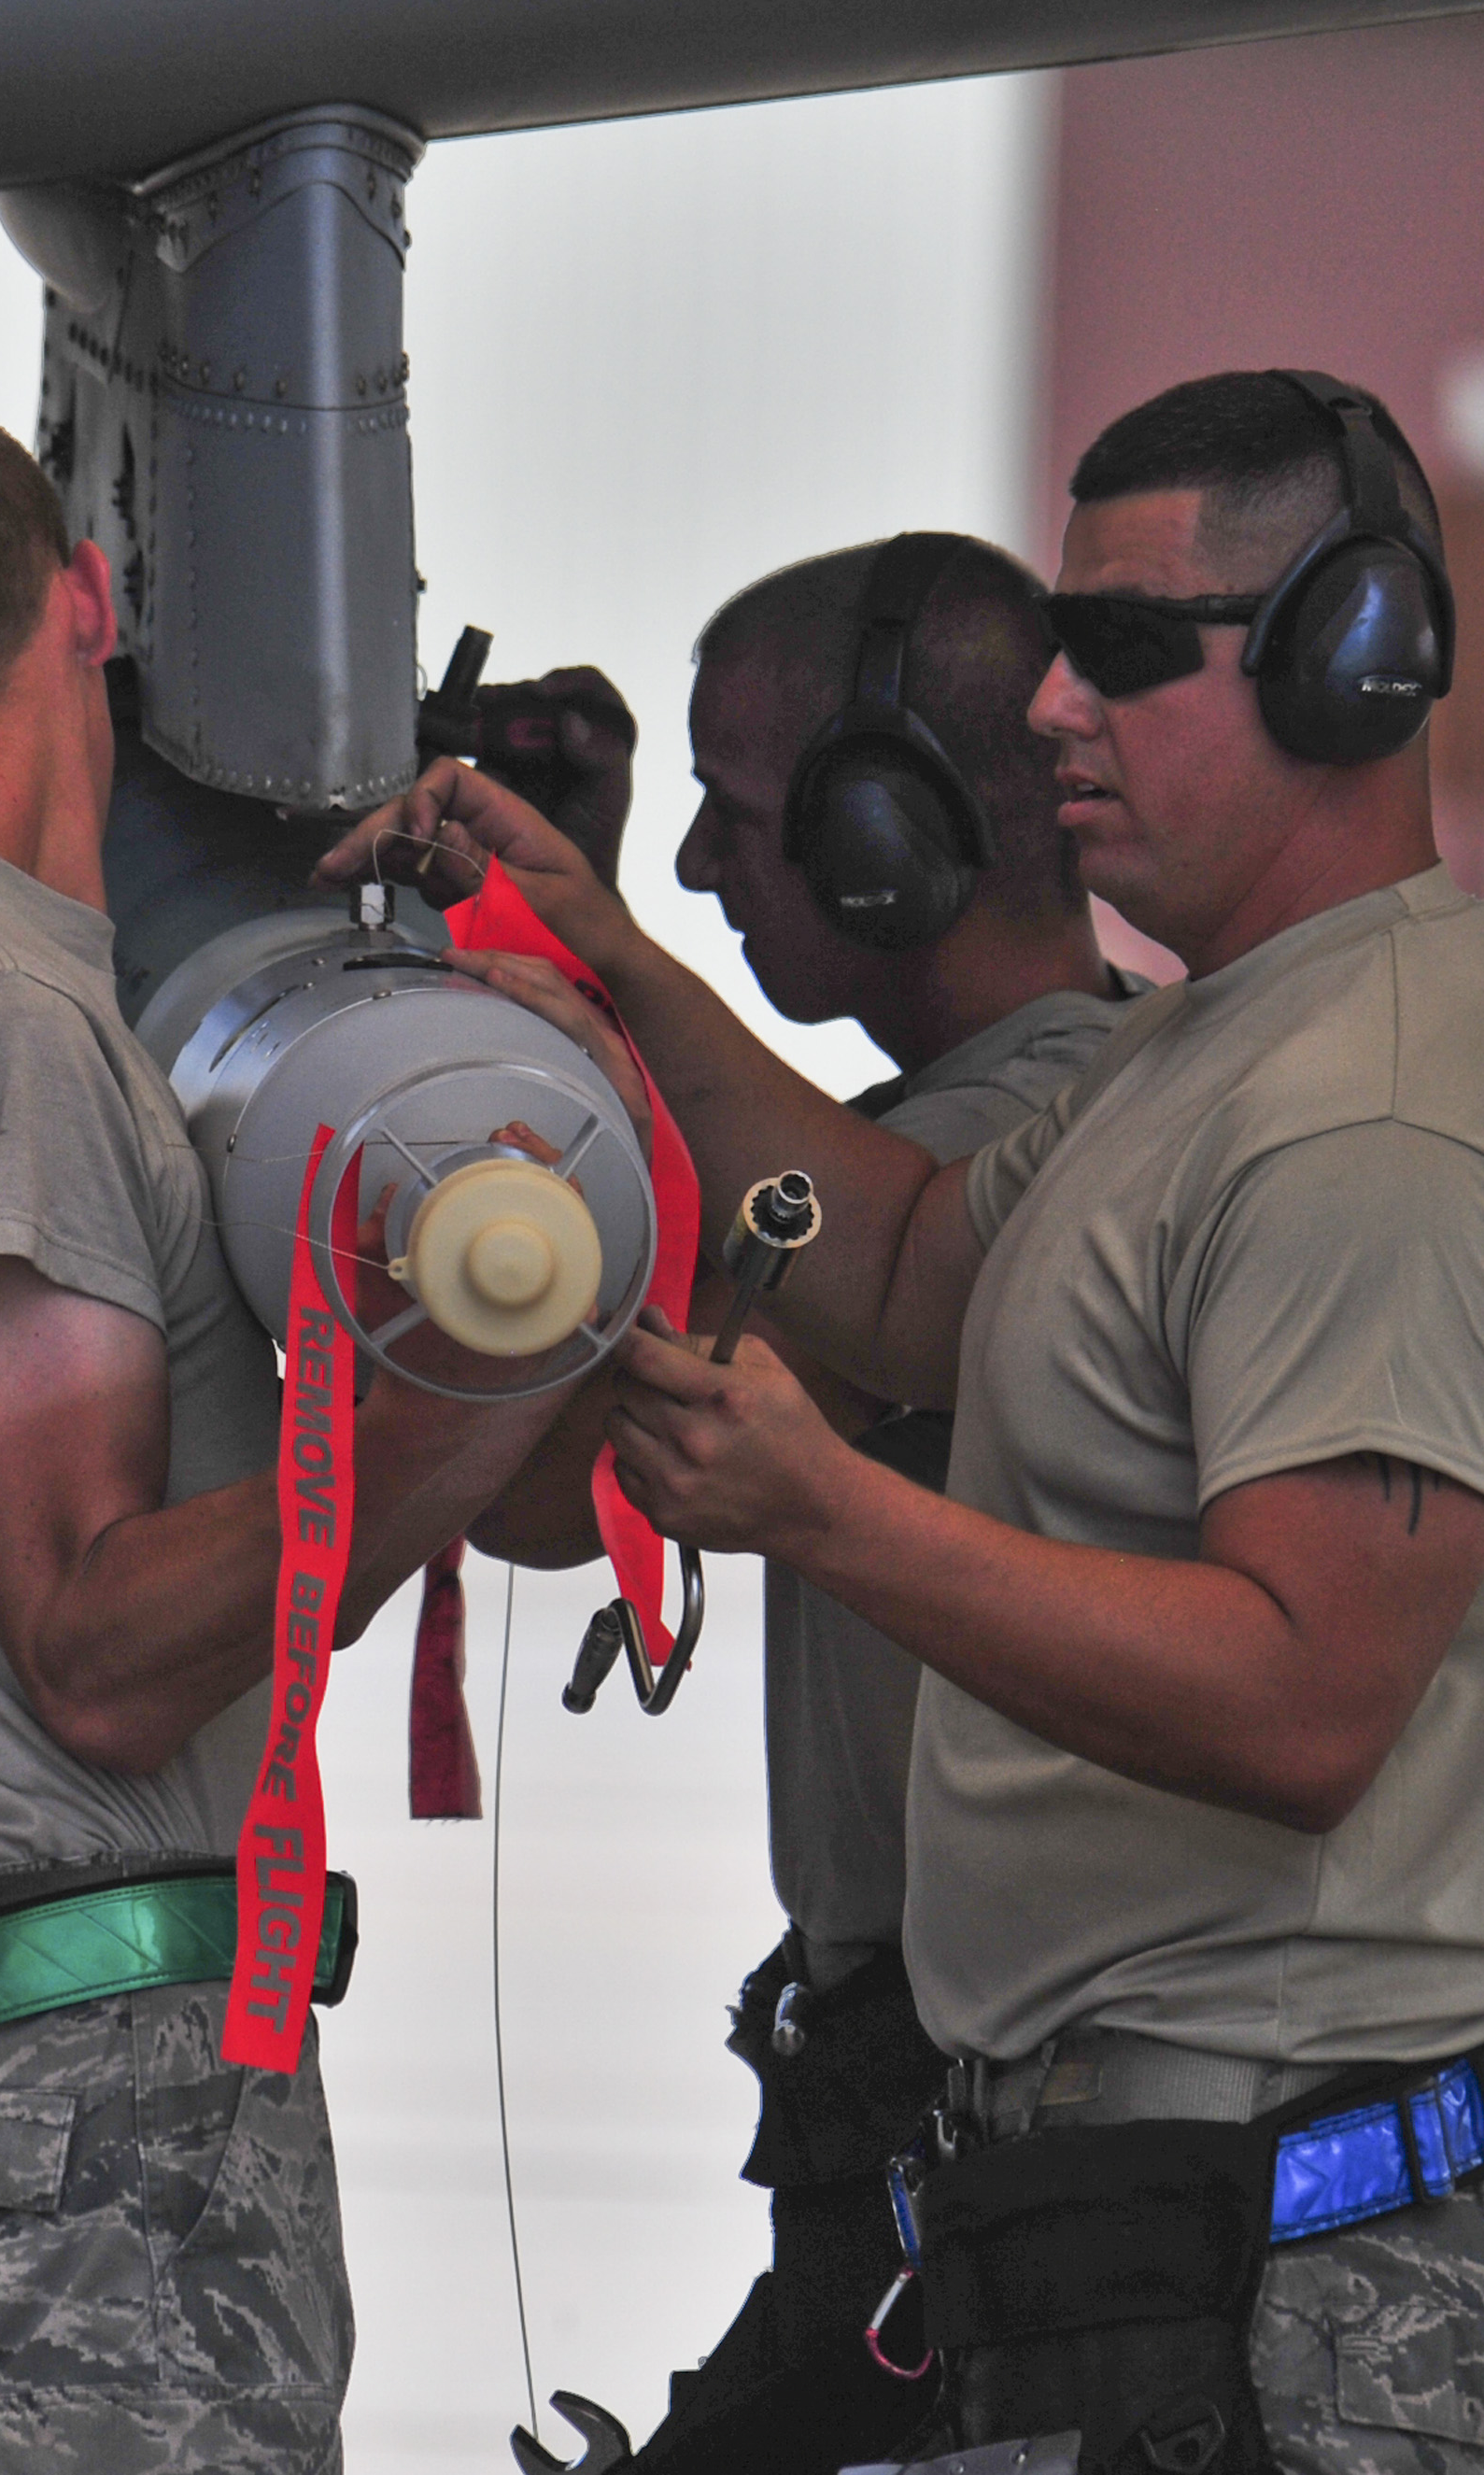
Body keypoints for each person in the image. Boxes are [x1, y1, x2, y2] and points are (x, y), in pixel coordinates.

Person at [330, 371, 1484, 2475]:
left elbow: (1304, 1698)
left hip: (1270, 2266)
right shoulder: (1211, 1041)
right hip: (1127, 2217)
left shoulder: (1374, 1122)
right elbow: (910, 1260)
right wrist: (609, 957)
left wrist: (819, 1509)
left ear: (1348, 657)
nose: (1047, 714)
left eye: (1121, 649)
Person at [0, 396, 555, 2475]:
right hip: (82, 2139)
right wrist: (464, 1403)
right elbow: (91, 1643)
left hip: (66, 2115)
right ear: (86, 600)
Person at [464, 534, 1138, 2472]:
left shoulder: (1016, 1139)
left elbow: (541, 1488)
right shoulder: (997, 1118)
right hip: (904, 2111)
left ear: (885, 838)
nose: (692, 871)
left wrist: (543, 994)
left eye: (738, 819)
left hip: (977, 2125)